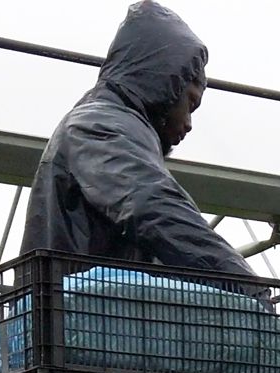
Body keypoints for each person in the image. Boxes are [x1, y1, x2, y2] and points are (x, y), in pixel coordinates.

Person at [21, 2, 257, 277]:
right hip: (78, 313)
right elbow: (151, 205)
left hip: (87, 310)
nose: (189, 124)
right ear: (167, 85)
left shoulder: (110, 126)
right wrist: (245, 285)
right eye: (190, 104)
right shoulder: (98, 126)